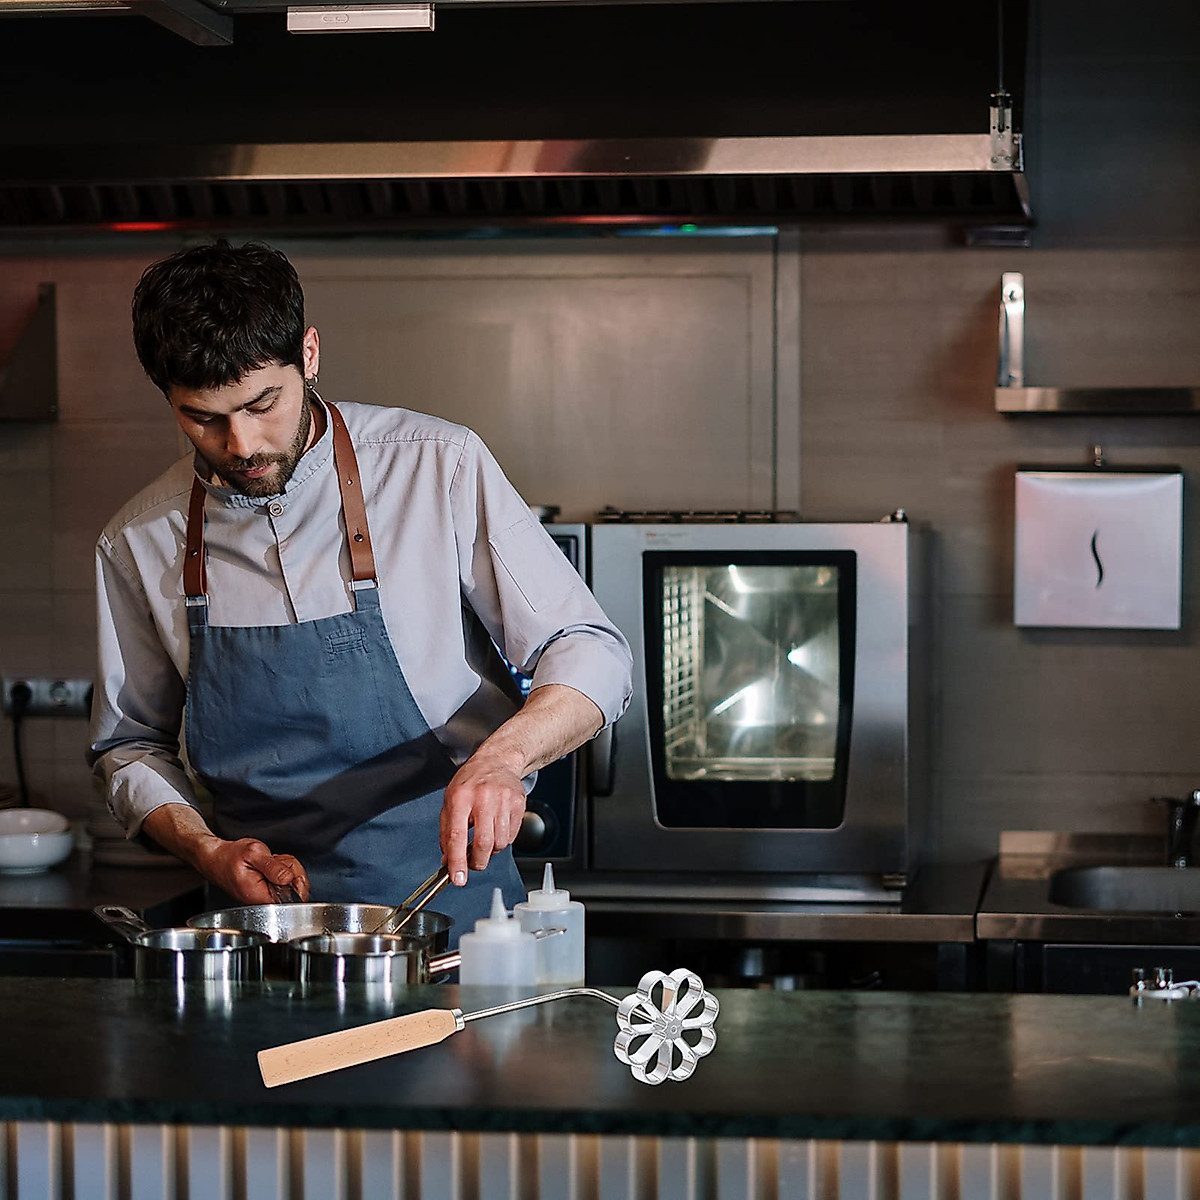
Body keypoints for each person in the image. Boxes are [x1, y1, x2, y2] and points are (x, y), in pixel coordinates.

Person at [88, 240, 633, 940]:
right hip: (261, 937)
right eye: (204, 418)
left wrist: (504, 758)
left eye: (263, 403)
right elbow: (128, 746)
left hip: (454, 917)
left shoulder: (437, 468)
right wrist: (208, 850)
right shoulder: (139, 539)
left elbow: (590, 650)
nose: (242, 443)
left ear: (308, 355)